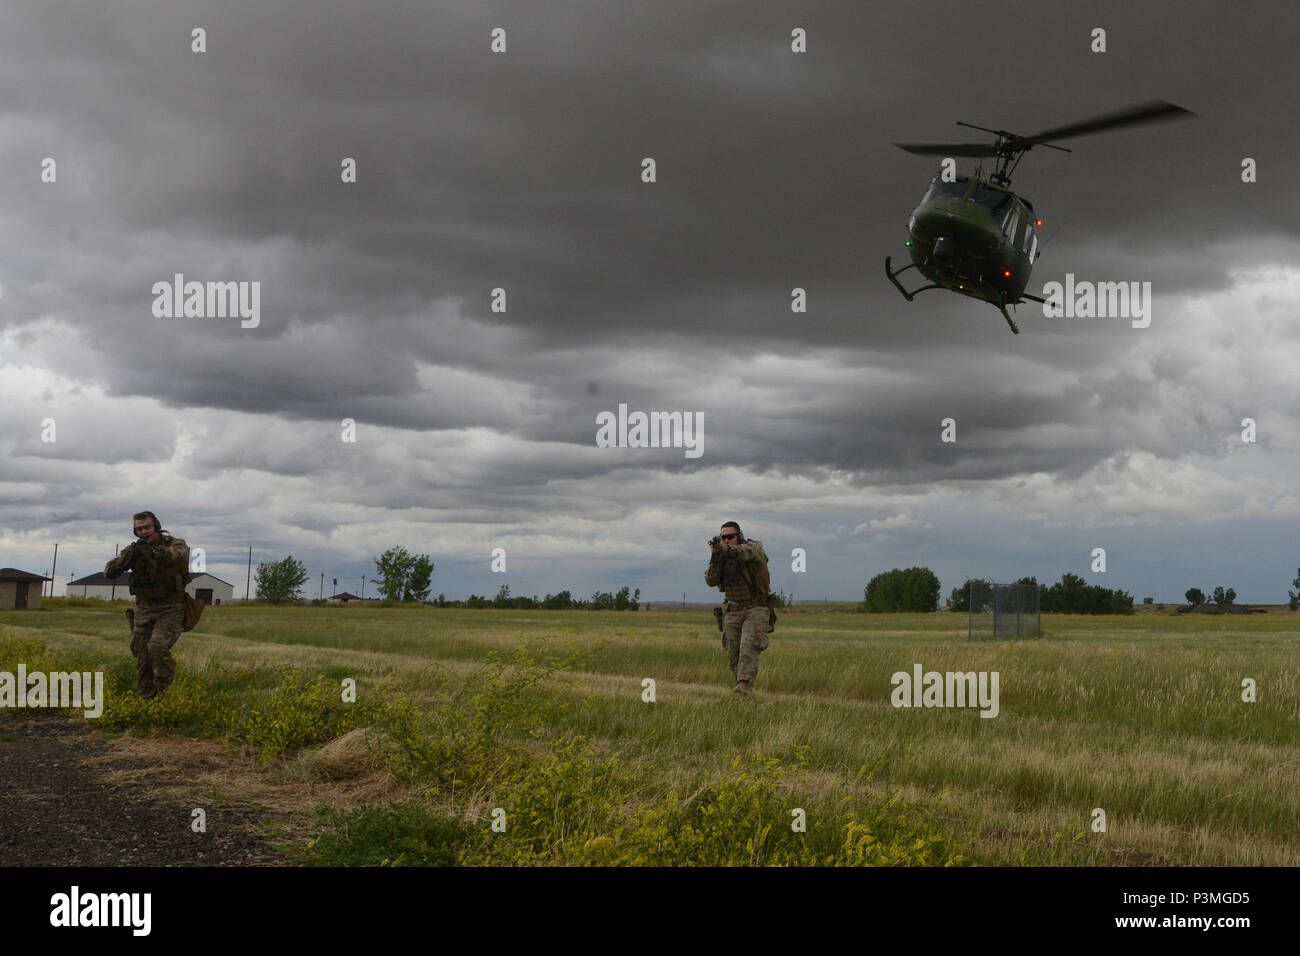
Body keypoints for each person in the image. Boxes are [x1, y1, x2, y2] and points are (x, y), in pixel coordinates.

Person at [103, 511, 191, 699]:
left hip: (170, 607)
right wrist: (123, 561)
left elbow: (179, 557)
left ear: (156, 526)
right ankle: (146, 696)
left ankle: (163, 693)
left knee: (157, 647)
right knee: (141, 652)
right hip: (144, 608)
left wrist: (154, 552)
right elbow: (108, 573)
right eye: (139, 529)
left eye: (147, 527)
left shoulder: (175, 544)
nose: (143, 532)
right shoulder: (134, 550)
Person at [704, 521, 772, 697]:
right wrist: (715, 556)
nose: (726, 540)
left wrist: (727, 550)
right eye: (723, 538)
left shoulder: (752, 548)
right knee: (733, 656)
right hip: (733, 610)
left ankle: (742, 693)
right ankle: (743, 690)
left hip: (755, 608)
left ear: (739, 536)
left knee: (747, 651)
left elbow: (743, 553)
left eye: (730, 537)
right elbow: (710, 580)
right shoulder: (722, 557)